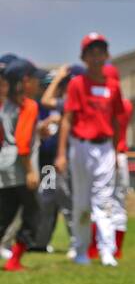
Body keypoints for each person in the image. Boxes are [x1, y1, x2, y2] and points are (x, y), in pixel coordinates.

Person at [56, 33, 126, 266]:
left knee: (104, 200)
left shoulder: (113, 86)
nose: (96, 58)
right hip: (81, 147)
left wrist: (116, 152)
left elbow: (116, 120)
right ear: (84, 57)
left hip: (105, 147)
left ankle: (107, 250)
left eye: (100, 53)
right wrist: (61, 153)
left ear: (107, 56)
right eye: (91, 53)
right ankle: (81, 249)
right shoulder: (77, 84)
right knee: (82, 202)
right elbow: (67, 119)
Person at [0, 58, 41, 272]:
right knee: (32, 214)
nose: (37, 83)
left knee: (4, 216)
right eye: (34, 79)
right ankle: (14, 261)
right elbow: (23, 141)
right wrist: (30, 171)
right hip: (20, 168)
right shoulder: (29, 106)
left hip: (4, 166)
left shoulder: (5, 106)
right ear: (25, 81)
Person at [40, 64, 83, 257]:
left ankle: (78, 242)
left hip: (72, 158)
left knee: (71, 203)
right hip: (53, 162)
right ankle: (42, 242)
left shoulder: (75, 102)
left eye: (64, 84)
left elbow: (47, 100)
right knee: (52, 201)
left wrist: (59, 77)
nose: (60, 87)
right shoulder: (63, 104)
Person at [101, 62, 133, 258]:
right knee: (118, 203)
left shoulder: (109, 102)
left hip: (107, 155)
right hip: (121, 157)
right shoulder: (127, 103)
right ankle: (117, 249)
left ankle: (96, 248)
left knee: (100, 202)